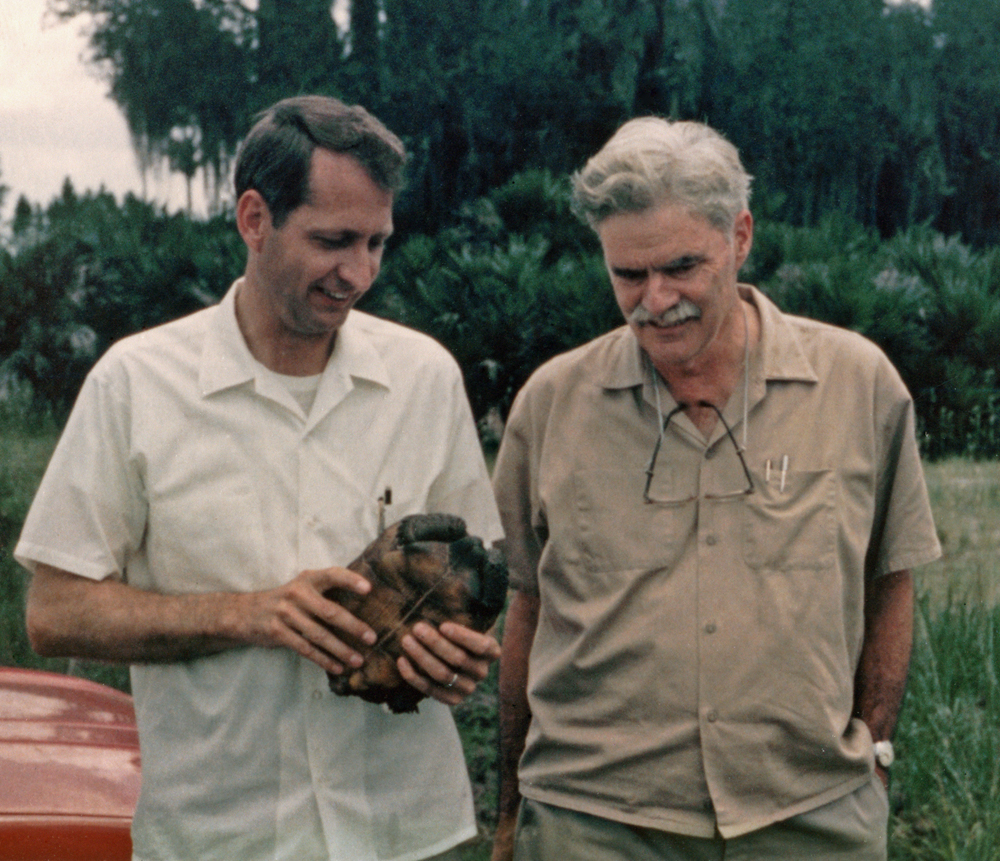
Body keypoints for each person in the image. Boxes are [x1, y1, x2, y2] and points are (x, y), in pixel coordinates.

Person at [16, 95, 504, 861]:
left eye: (378, 242)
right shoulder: (136, 383)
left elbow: (474, 580)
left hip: (401, 832)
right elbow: (54, 612)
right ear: (253, 217)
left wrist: (456, 650)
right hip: (217, 837)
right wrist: (253, 614)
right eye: (333, 240)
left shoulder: (425, 378)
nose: (360, 272)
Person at [489, 117, 941, 861]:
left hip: (811, 816)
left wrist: (874, 763)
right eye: (628, 275)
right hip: (594, 824)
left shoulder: (859, 385)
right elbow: (526, 606)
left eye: (681, 267)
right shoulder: (551, 403)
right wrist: (509, 815)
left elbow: (891, 580)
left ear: (740, 237)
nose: (655, 300)